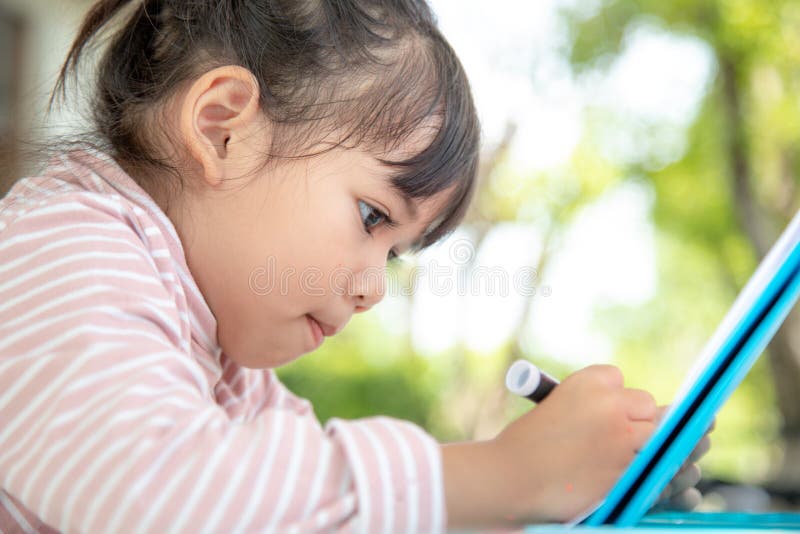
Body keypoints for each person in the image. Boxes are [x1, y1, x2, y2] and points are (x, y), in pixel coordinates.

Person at [0, 1, 708, 532]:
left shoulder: (226, 364)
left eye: (394, 255)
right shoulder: (59, 248)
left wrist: (566, 478)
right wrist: (508, 473)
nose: (373, 288)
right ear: (222, 128)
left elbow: (318, 510)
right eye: (373, 218)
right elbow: (167, 495)